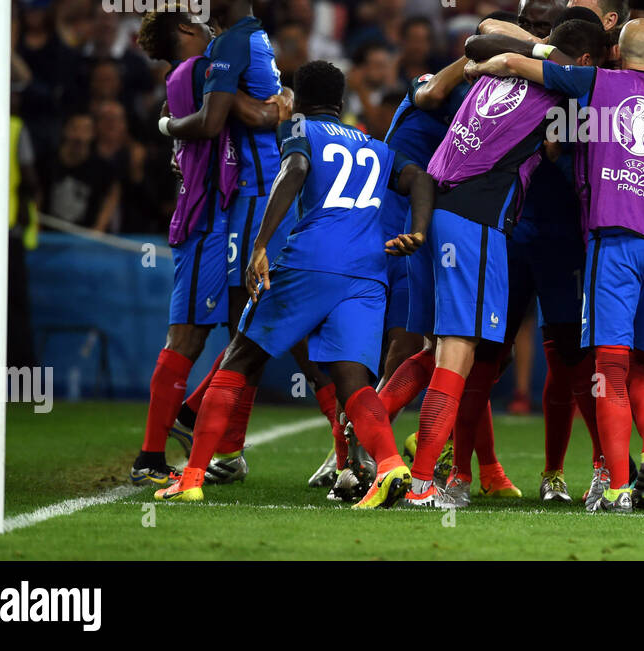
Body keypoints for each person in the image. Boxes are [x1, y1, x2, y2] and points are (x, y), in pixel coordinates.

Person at [156, 60, 435, 507]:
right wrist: (418, 232)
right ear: (341, 103)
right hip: (368, 272)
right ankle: (388, 466)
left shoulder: (301, 131)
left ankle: (191, 478)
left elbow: (296, 168)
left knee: (237, 360)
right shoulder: (374, 145)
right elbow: (420, 177)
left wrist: (261, 243)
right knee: (353, 380)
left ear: (300, 100)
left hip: (311, 262)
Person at [471, 18, 644, 512]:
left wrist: (478, 66)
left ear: (616, 52)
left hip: (614, 240)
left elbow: (513, 62)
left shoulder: (598, 82)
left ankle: (617, 487)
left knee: (609, 367)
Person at [403, 18, 609, 506]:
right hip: (476, 219)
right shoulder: (562, 90)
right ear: (583, 62)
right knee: (456, 354)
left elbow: (480, 36)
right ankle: (420, 483)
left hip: (431, 205)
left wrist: (527, 48)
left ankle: (421, 474)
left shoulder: (497, 72)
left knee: (449, 353)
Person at [130, 5, 289, 486]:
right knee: (189, 336)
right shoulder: (201, 70)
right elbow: (259, 115)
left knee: (247, 323)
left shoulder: (182, 78)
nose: (213, 31)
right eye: (204, 26)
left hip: (213, 215)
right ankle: (152, 457)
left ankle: (192, 420)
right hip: (209, 221)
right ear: (186, 30)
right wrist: (285, 100)